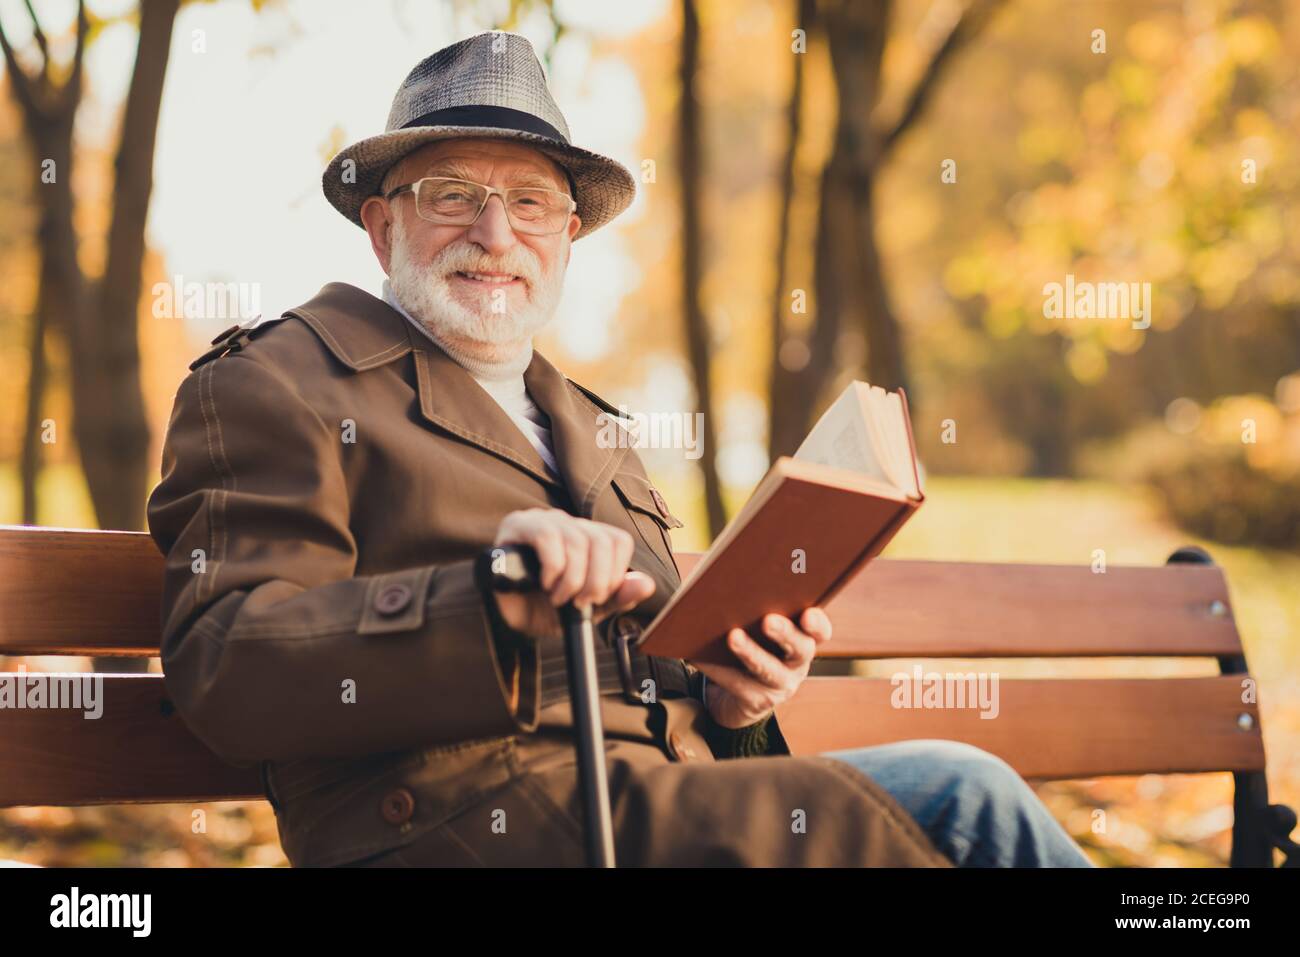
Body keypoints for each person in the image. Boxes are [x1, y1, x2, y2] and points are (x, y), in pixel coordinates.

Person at [146, 31, 1091, 868]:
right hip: (454, 825)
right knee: (962, 801)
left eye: (532, 204)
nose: (495, 233)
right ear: (383, 225)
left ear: (567, 237)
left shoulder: (596, 428)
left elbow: (667, 691)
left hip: (652, 806)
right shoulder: (278, 381)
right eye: (453, 196)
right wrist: (488, 597)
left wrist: (738, 706)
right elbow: (230, 667)